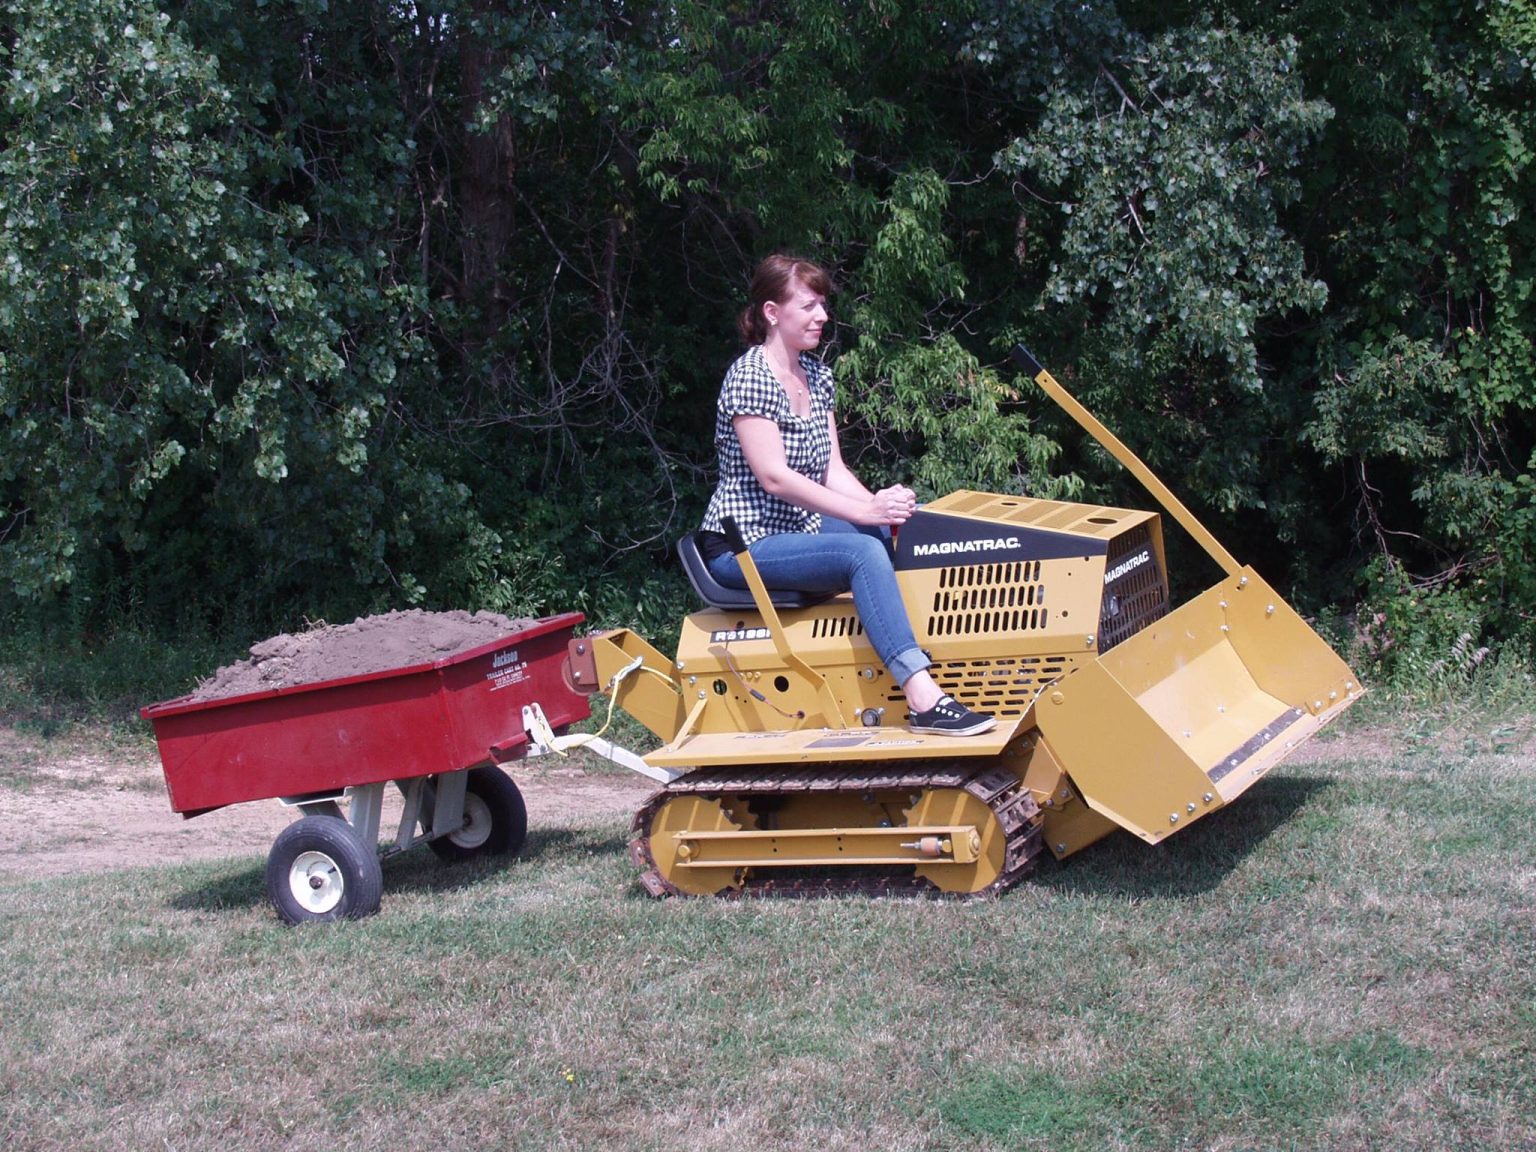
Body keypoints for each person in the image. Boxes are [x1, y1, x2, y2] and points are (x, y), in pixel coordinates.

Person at [696, 254, 995, 737]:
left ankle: (939, 664)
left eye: (824, 305)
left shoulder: (817, 376)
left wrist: (882, 511)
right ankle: (922, 698)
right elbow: (774, 477)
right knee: (859, 551)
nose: (823, 316)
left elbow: (832, 469)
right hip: (745, 544)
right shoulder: (750, 375)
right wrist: (863, 512)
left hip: (798, 531)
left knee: (885, 535)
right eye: (810, 305)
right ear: (772, 312)